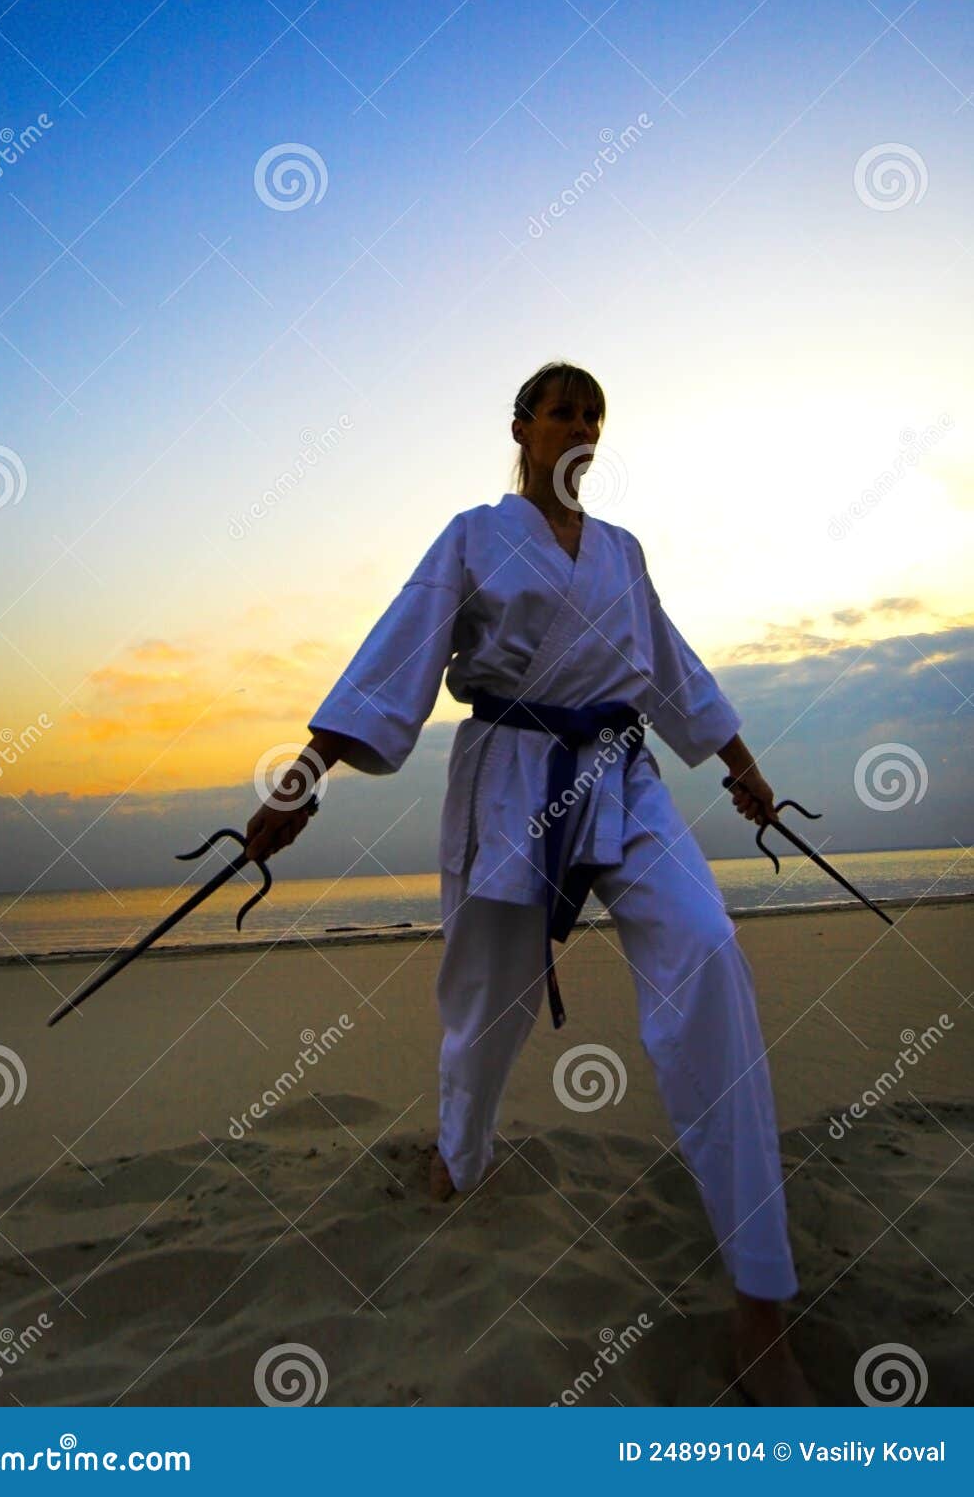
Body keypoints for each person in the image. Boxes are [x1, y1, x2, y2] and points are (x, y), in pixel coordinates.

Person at [245, 361, 814, 1406]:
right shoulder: (472, 533)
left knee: (708, 953)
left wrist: (741, 767)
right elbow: (397, 653)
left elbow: (674, 667)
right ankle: (459, 1158)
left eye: (593, 412)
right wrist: (305, 772)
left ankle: (757, 1299)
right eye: (562, 409)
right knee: (484, 1006)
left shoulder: (622, 554)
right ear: (521, 426)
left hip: (619, 776)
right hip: (510, 777)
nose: (581, 425)